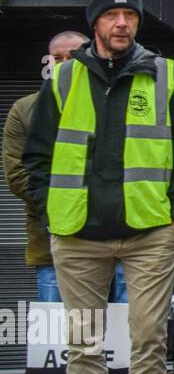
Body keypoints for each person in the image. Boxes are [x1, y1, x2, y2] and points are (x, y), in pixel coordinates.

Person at [24, 0, 174, 374]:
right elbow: (36, 155)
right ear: (95, 21)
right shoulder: (61, 79)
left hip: (149, 232)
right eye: (111, 14)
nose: (122, 23)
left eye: (130, 15)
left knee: (147, 338)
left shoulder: (164, 75)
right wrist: (50, 212)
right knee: (82, 341)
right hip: (77, 233)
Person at [5, 31, 128, 304]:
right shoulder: (25, 109)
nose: (63, 64)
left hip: (119, 241)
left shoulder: (115, 101)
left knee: (124, 338)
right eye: (57, 58)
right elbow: (18, 176)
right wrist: (68, 209)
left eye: (71, 57)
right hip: (51, 243)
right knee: (58, 338)